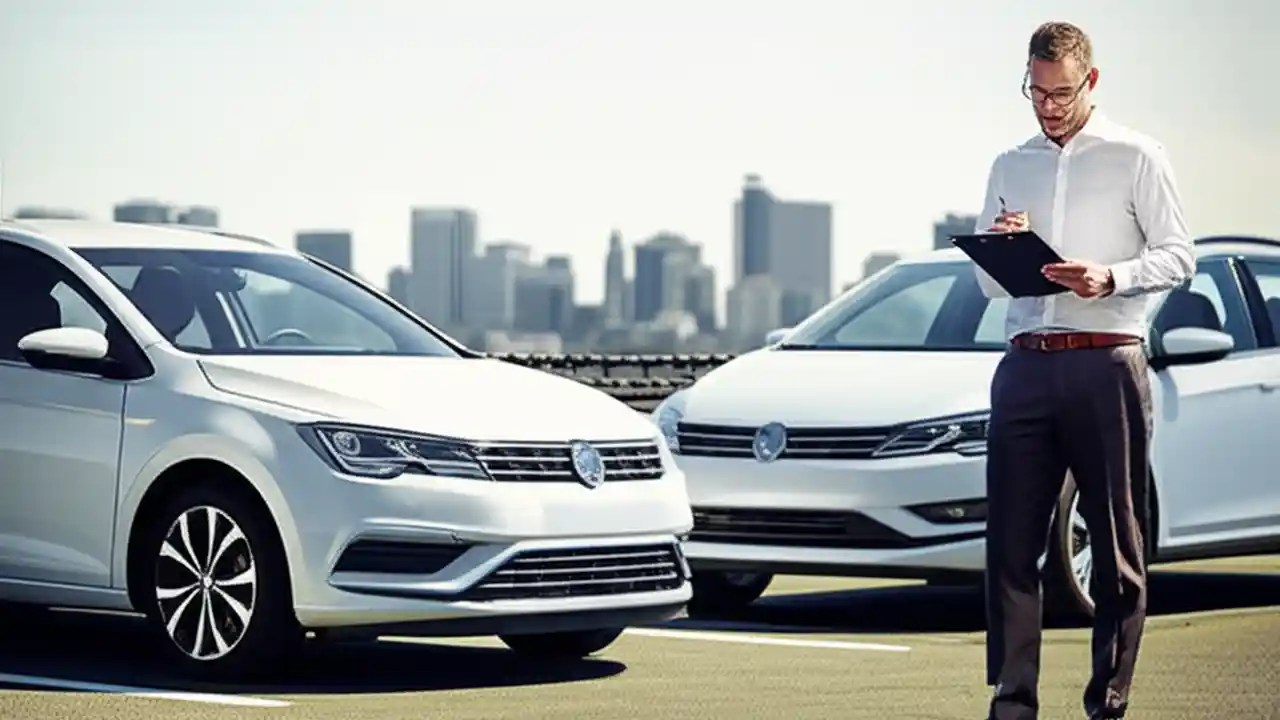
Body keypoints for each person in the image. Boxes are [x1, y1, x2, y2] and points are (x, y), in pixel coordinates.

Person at [971, 21, 1195, 720]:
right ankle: (1012, 705)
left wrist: (1112, 275)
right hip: (1024, 371)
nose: (1048, 106)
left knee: (1119, 546)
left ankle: (1109, 702)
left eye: (1061, 93)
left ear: (1090, 82)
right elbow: (986, 287)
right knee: (1009, 548)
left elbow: (1179, 255)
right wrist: (1004, 252)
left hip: (1107, 367)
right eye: (1036, 93)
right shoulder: (1010, 164)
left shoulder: (1136, 157)